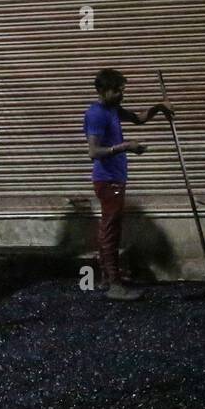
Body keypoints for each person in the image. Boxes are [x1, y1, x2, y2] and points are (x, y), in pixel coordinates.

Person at [84, 68, 171, 301]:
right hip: (107, 179)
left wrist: (159, 108)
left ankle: (106, 277)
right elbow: (94, 152)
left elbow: (138, 119)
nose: (122, 94)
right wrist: (124, 147)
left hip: (115, 178)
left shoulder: (112, 109)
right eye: (116, 90)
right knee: (111, 231)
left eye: (123, 89)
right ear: (102, 91)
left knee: (109, 228)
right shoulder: (97, 115)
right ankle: (114, 285)